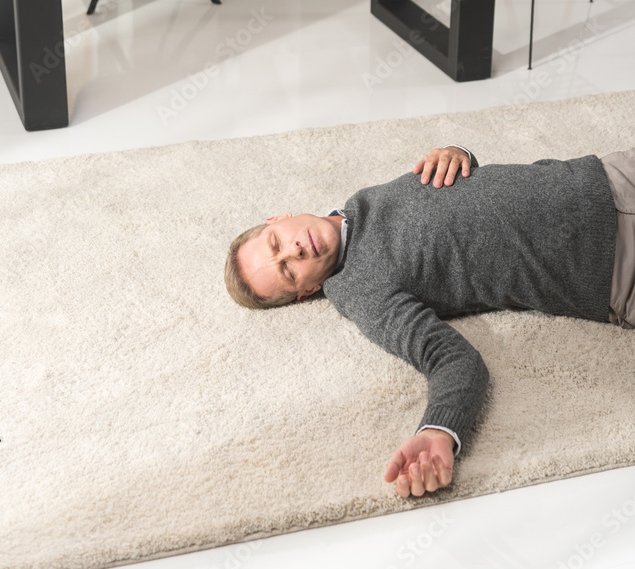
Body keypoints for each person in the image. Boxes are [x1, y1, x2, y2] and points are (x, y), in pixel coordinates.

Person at [224, 144, 634, 500]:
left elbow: (461, 186)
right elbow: (450, 359)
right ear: (307, 291)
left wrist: (458, 153)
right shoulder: (360, 291)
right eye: (289, 271)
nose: (294, 252)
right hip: (613, 262)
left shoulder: (360, 203)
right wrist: (438, 430)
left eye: (277, 243)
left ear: (278, 219)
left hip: (604, 176)